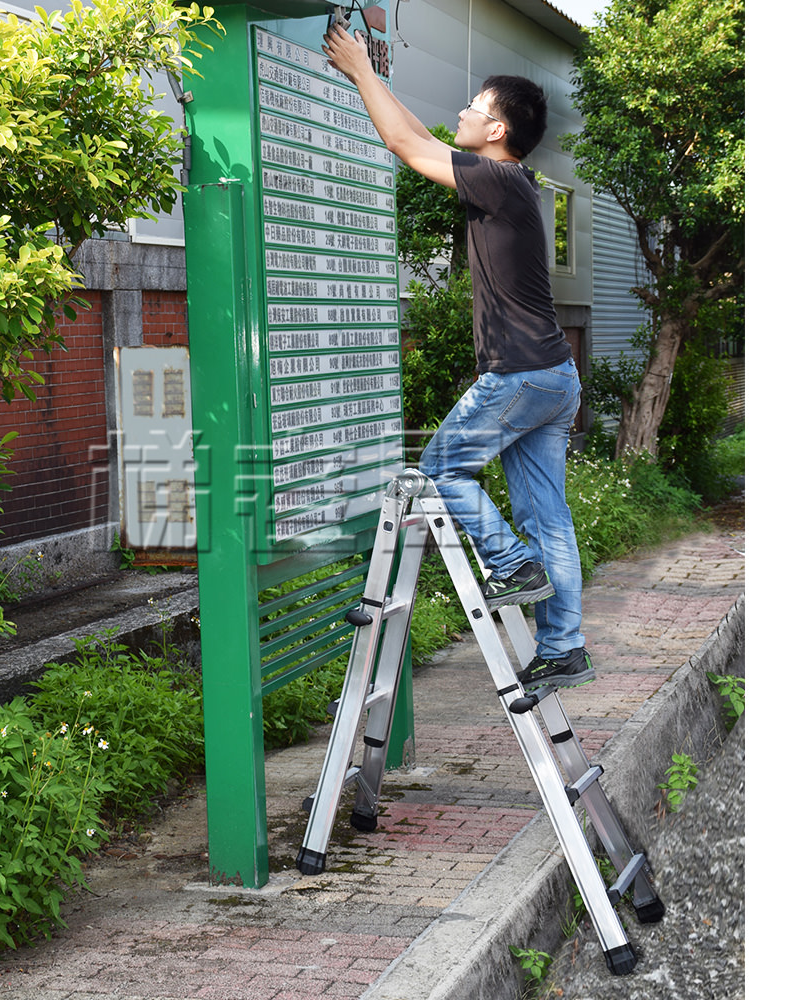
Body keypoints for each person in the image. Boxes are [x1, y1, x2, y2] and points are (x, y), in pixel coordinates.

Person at [322, 25, 593, 690]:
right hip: (554, 376)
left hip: (521, 375)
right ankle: (564, 646)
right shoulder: (512, 180)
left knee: (440, 467)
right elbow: (421, 137)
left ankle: (509, 565)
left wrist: (360, 69)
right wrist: (377, 81)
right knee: (546, 515)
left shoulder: (497, 180)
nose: (464, 115)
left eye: (474, 108)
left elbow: (404, 144)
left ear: (497, 129)